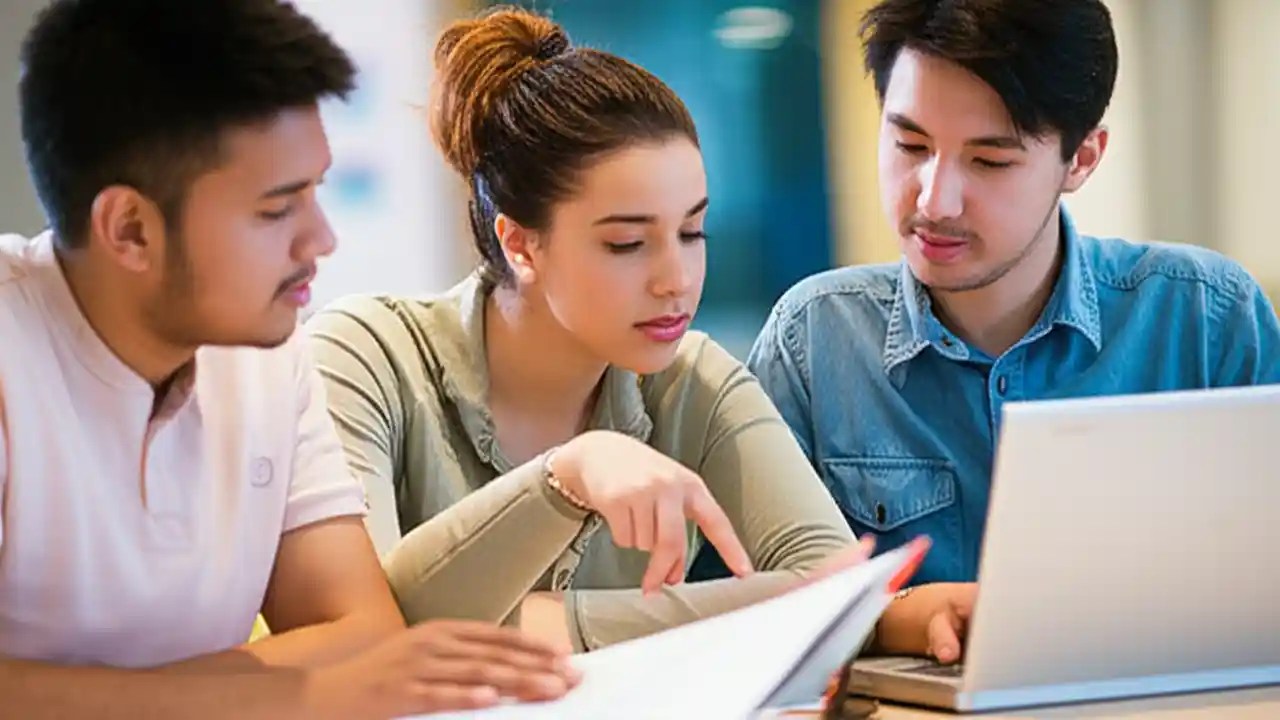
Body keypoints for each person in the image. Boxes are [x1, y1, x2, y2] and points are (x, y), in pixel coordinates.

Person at [0, 1, 578, 717]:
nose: (321, 238)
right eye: (277, 210)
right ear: (130, 229)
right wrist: (288, 691)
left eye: (317, 192)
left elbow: (360, 634)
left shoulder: (268, 354)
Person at [306, 7, 874, 655]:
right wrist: (566, 476)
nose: (677, 279)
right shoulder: (364, 355)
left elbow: (837, 591)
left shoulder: (692, 380)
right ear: (520, 244)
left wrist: (553, 623)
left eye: (692, 232)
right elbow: (362, 639)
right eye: (627, 244)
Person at [749, 0, 1280, 667]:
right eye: (909, 145)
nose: (934, 201)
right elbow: (733, 610)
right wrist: (888, 619)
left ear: (1081, 158)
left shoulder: (1206, 320)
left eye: (990, 161)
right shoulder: (814, 340)